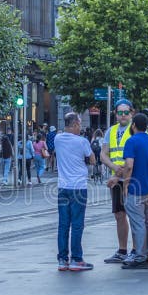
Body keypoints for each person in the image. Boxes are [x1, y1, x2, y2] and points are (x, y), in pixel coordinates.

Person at [121, 113, 148, 269]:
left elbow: (129, 165)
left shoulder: (131, 142)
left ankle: (140, 256)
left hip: (135, 189)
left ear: (133, 125)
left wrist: (126, 185)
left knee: (138, 222)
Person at [54, 112, 95, 272]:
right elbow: (92, 159)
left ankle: (62, 260)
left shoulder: (58, 139)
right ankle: (76, 259)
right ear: (76, 124)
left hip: (63, 187)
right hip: (78, 187)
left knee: (63, 224)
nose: (81, 127)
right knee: (77, 224)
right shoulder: (82, 141)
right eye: (80, 124)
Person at [101, 99, 135, 263]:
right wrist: (115, 168)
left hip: (132, 178)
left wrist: (119, 171)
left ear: (131, 113)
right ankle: (122, 251)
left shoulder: (135, 130)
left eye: (125, 112)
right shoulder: (111, 131)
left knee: (135, 215)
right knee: (119, 215)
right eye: (119, 112)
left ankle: (137, 251)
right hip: (117, 179)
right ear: (115, 114)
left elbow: (135, 156)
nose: (122, 115)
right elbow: (103, 154)